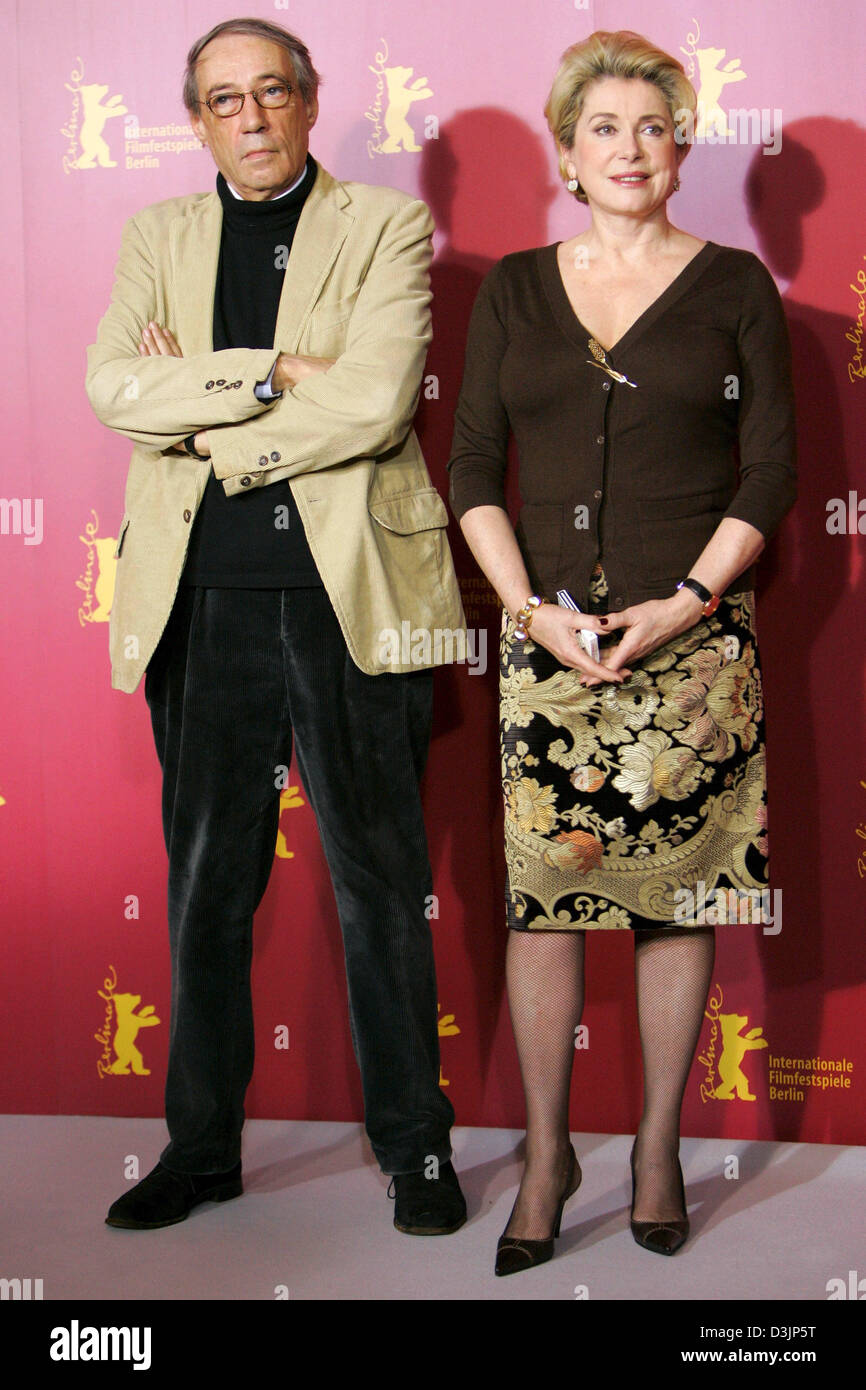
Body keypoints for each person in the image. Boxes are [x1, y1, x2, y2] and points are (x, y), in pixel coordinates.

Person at [86, 16, 467, 1236]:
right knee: (204, 890)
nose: (248, 118)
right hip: (203, 608)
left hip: (354, 602)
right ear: (196, 119)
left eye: (269, 93)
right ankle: (200, 1149)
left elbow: (373, 399)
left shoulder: (387, 224)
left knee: (379, 884)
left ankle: (414, 1149)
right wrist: (274, 370)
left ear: (307, 103)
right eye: (221, 100)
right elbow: (113, 387)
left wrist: (202, 404)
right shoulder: (158, 235)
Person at [448, 29, 796, 1274]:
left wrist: (689, 600)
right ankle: (547, 1157)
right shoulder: (514, 287)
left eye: (652, 125)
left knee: (676, 898)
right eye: (603, 127)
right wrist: (526, 614)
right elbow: (472, 469)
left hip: (692, 646)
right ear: (566, 151)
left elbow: (767, 470)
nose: (630, 147)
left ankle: (654, 1149)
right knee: (544, 909)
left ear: (681, 144)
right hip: (548, 644)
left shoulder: (735, 285)